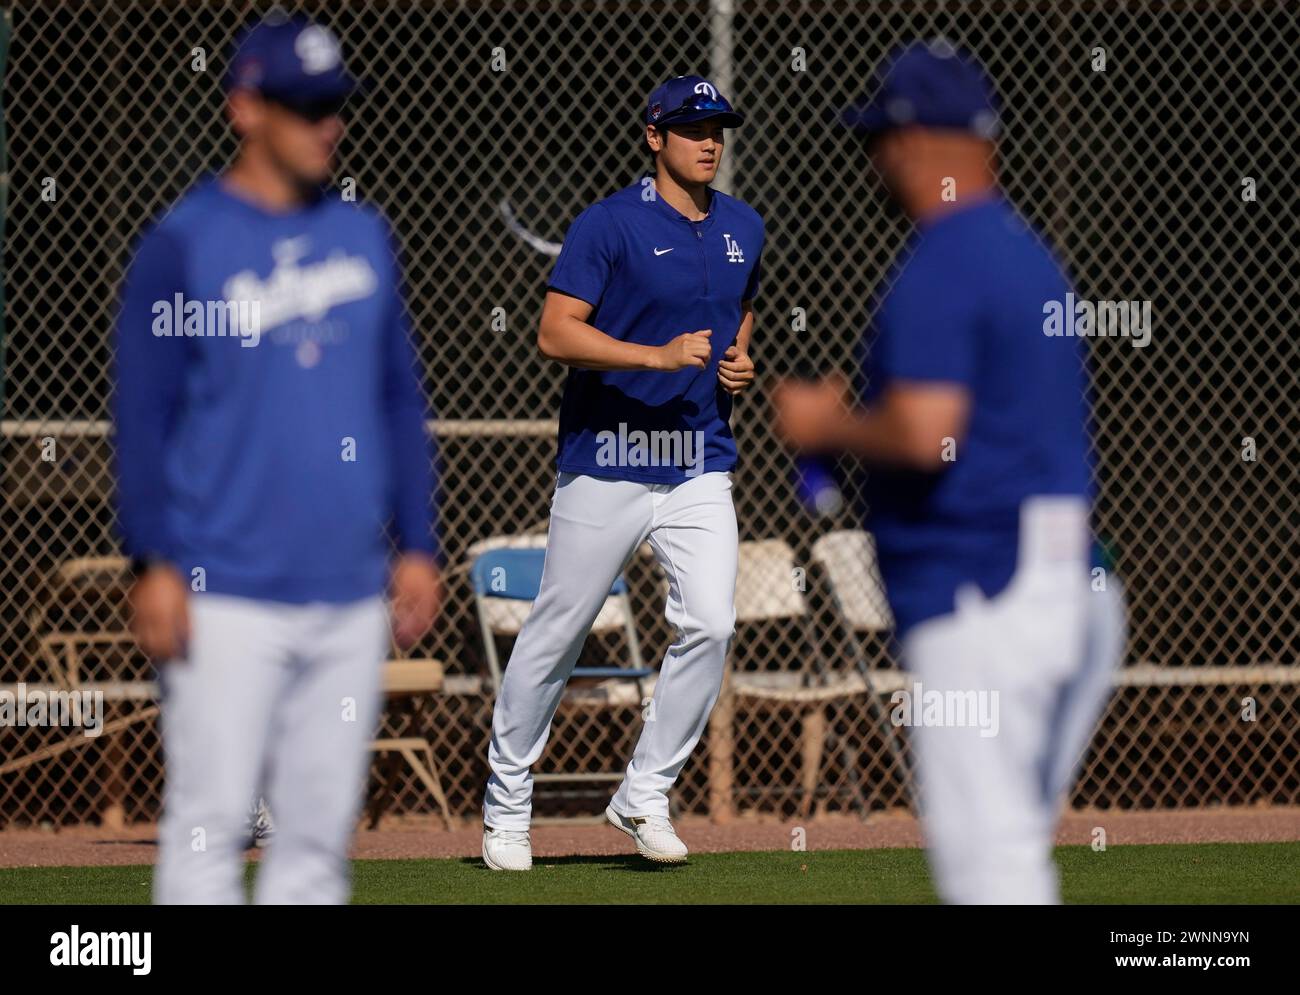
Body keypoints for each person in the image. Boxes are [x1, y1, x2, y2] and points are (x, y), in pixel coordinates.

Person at [773, 40, 1125, 904]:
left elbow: (930, 434)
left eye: (877, 141)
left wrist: (826, 423)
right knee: (1014, 862)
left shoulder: (943, 260)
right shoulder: (1022, 253)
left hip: (984, 597)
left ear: (911, 140)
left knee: (990, 878)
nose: (873, 161)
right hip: (1068, 588)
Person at [112, 14, 442, 904]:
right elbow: (142, 418)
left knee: (314, 846)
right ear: (245, 108)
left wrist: (419, 541)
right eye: (303, 106)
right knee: (209, 829)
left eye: (334, 105)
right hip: (225, 593)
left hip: (345, 592)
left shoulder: (364, 237)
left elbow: (399, 400)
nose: (326, 123)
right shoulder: (184, 245)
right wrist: (152, 559)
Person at [481, 75, 764, 870]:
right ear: (654, 135)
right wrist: (655, 354)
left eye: (717, 127)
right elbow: (554, 333)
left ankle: (643, 792)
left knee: (711, 621)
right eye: (691, 126)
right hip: (607, 458)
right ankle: (506, 805)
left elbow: (741, 307)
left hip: (698, 457)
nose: (708, 139)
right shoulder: (606, 224)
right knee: (559, 629)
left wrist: (740, 360)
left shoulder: (744, 224)